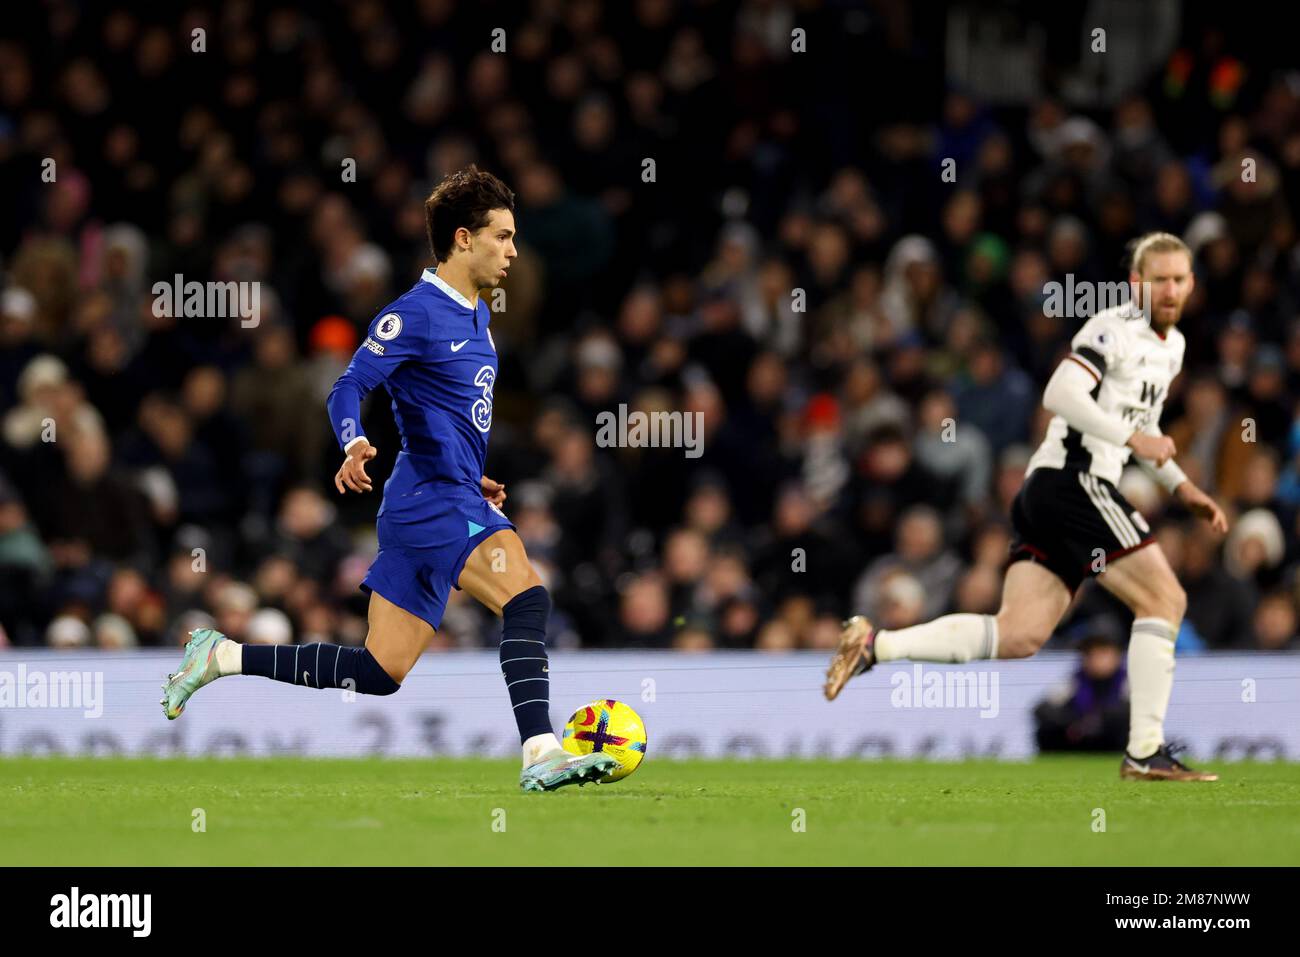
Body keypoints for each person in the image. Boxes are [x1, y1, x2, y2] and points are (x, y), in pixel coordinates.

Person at [161, 166, 617, 791]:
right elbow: (349, 384)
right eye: (503, 237)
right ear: (463, 239)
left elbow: (445, 410)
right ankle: (540, 748)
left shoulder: (479, 317)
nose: (513, 251)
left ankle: (222, 656)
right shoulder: (416, 313)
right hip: (429, 501)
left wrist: (469, 471)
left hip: (437, 492)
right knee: (528, 599)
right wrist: (353, 442)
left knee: (380, 670)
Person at [825, 232, 1227, 782]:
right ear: (1137, 284)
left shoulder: (1172, 348)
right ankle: (1145, 750)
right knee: (1165, 598)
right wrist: (1135, 445)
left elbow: (1144, 425)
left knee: (1018, 634)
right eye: (1161, 279)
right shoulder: (1112, 329)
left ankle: (875, 644)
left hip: (1049, 492)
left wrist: (1182, 486)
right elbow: (1060, 395)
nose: (1172, 289)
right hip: (1074, 482)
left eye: (1181, 279)